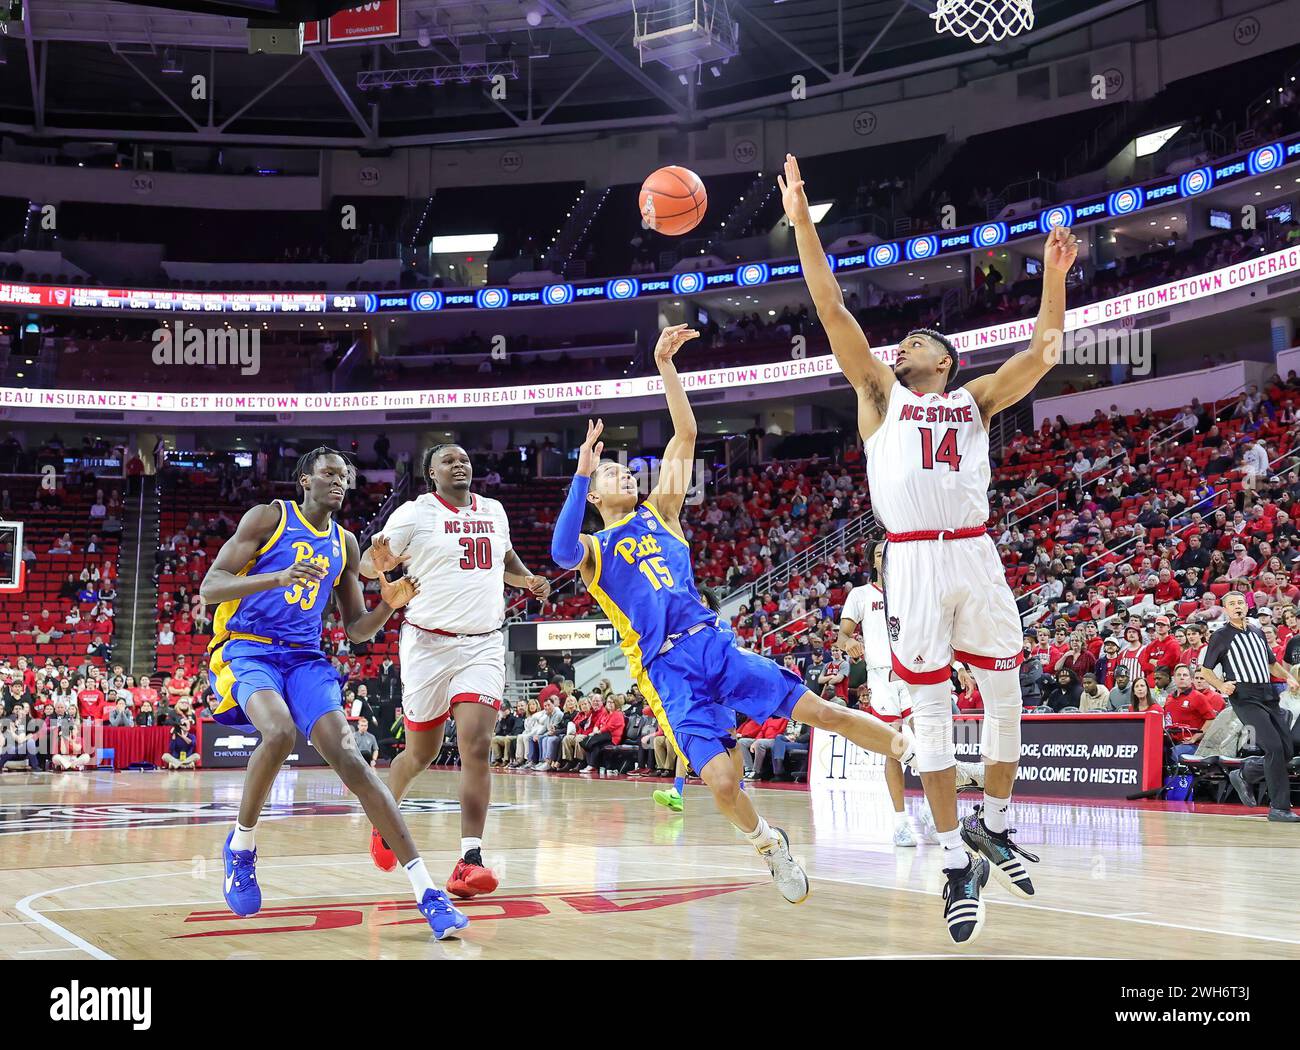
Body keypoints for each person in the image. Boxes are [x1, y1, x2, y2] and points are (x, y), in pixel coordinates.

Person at [783, 152, 1075, 942]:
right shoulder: (878, 396)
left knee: (1008, 695)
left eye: (912, 340)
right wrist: (805, 223)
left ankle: (995, 824)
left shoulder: (975, 401)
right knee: (935, 718)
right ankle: (953, 863)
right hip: (910, 558)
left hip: (975, 552)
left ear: (942, 360)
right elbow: (831, 305)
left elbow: (1045, 353)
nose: (897, 346)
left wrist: (1053, 277)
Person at [551, 323, 919, 906]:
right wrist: (577, 475)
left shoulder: (663, 512)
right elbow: (560, 552)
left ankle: (915, 753)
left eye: (624, 468)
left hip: (714, 646)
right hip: (666, 670)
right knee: (721, 780)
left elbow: (687, 431)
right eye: (609, 473)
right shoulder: (595, 553)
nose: (622, 471)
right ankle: (769, 843)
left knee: (820, 709)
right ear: (593, 495)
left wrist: (665, 367)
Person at [199, 446, 469, 939]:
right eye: (328, 473)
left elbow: (357, 630)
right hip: (248, 648)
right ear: (305, 480)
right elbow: (210, 587)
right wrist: (276, 577)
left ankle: (428, 892)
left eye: (344, 475)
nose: (339, 481)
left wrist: (388, 606)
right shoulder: (268, 518)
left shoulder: (345, 543)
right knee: (278, 733)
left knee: (354, 762)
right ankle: (241, 847)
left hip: (305, 659)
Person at [360, 442, 550, 900]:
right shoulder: (414, 512)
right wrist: (378, 566)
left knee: (478, 745)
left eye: (464, 458)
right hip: (427, 644)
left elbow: (504, 560)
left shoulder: (495, 510)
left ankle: (470, 859)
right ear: (431, 473)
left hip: (482, 643)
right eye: (448, 460)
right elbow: (370, 562)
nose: (459, 463)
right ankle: (386, 816)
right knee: (419, 754)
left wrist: (526, 579)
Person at [1198, 593, 1300, 821]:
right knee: (1273, 748)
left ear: (1247, 606)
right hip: (1244, 696)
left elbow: (1272, 664)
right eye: (1232, 604)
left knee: (1286, 750)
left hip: (1268, 693)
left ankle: (1245, 773)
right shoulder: (1221, 636)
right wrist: (1221, 685)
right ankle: (1279, 808)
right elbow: (1205, 671)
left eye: (1240, 603)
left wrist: (1289, 678)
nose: (1237, 607)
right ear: (1225, 609)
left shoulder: (1257, 631)